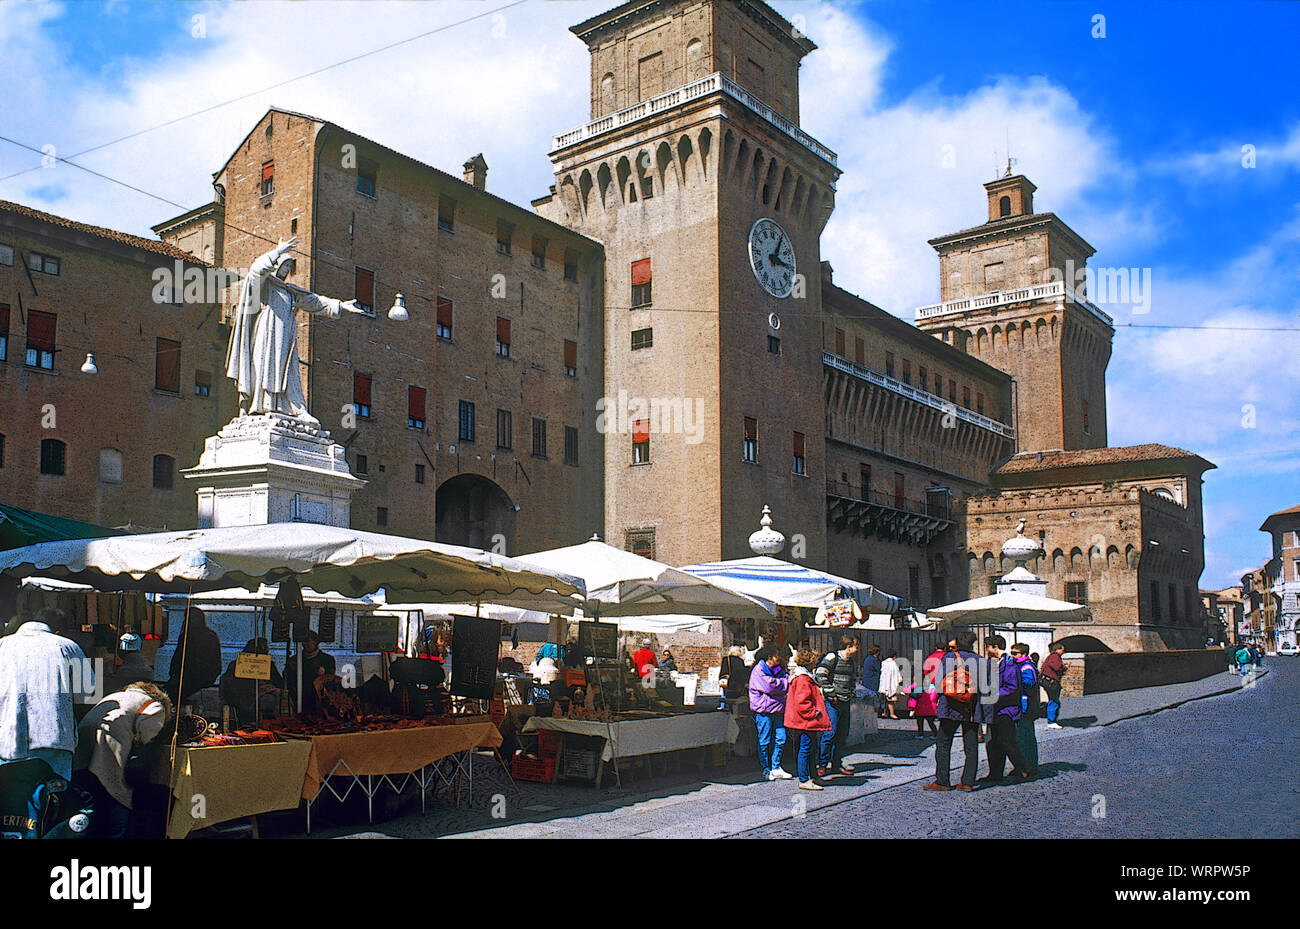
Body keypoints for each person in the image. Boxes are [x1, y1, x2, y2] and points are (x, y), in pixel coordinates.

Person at [226, 236, 366, 419]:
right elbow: (255, 270)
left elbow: (314, 301)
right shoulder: (264, 285)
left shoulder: (290, 291)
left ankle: (292, 408)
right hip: (267, 334)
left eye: (289, 268)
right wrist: (278, 251)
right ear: (275, 266)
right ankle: (263, 405)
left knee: (288, 370)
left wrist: (341, 305)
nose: (287, 271)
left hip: (287, 338)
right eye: (284, 266)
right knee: (266, 367)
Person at [0, 607, 95, 780]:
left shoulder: (3, 644)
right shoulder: (68, 646)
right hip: (54, 739)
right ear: (59, 630)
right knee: (52, 800)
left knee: (10, 800)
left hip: (7, 740)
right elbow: (88, 694)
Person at [71, 682, 171, 839]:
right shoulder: (155, 706)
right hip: (110, 746)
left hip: (86, 745)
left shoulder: (116, 696)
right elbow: (148, 735)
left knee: (92, 797)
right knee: (117, 793)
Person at [925, 631, 981, 792]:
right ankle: (968, 781)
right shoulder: (980, 660)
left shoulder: (949, 658)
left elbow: (939, 682)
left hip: (950, 706)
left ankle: (942, 780)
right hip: (971, 708)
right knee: (971, 745)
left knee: (943, 743)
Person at [979, 634, 1035, 784]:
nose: (986, 650)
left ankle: (1023, 768)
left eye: (987, 647)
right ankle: (995, 773)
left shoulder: (1009, 664)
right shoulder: (995, 663)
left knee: (1007, 741)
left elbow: (1012, 687)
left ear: (994, 647)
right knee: (992, 743)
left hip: (1006, 710)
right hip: (995, 709)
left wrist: (993, 694)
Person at [783, 648, 832, 790]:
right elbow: (802, 702)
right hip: (807, 720)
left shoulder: (801, 676)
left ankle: (812, 777)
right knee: (806, 748)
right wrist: (814, 713)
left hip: (806, 720)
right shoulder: (803, 678)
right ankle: (804, 779)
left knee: (810, 748)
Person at [815, 634, 860, 777]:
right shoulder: (832, 657)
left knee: (842, 734)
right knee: (830, 733)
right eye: (856, 646)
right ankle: (822, 764)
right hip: (833, 702)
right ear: (849, 646)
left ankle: (836, 764)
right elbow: (820, 675)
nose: (857, 649)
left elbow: (852, 679)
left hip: (845, 702)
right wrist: (831, 694)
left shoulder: (851, 662)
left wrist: (852, 691)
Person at [748, 646, 791, 781]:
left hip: (778, 709)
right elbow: (769, 686)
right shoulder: (758, 670)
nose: (779, 658)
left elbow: (785, 679)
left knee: (781, 738)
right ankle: (766, 769)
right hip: (764, 711)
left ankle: (776, 767)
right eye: (776, 655)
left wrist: (779, 684)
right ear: (769, 657)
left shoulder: (777, 668)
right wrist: (782, 685)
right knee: (764, 740)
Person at [219, 638, 284, 726]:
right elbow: (230, 686)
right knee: (272, 698)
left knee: (277, 695)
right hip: (244, 698)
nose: (266, 650)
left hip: (255, 697)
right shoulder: (237, 665)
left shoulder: (268, 665)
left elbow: (279, 683)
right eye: (264, 648)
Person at [166, 607, 222, 706]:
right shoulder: (186, 636)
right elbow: (177, 659)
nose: (190, 621)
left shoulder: (208, 636)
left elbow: (211, 664)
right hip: (187, 677)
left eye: (193, 618)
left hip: (199, 678)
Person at [284, 630, 337, 715]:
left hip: (320, 699)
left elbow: (331, 679)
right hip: (300, 698)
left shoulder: (327, 659)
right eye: (303, 642)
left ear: (316, 642)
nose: (305, 644)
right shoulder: (295, 660)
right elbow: (289, 680)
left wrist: (323, 673)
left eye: (308, 641)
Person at [1010, 642, 1040, 771]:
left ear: (1024, 654)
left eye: (1015, 653)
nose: (1013, 656)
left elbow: (1029, 683)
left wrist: (1013, 680)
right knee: (1021, 737)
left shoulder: (1026, 667)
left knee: (1025, 738)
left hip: (1025, 707)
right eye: (1012, 653)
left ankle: (1029, 766)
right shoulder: (1019, 665)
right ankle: (1024, 765)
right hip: (1021, 706)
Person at [911, 645, 944, 738]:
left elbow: (913, 694)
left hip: (920, 710)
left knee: (920, 723)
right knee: (931, 723)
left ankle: (920, 734)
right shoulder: (932, 688)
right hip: (931, 709)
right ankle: (935, 734)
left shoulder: (931, 657)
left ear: (935, 648)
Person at [1040, 642, 1068, 729]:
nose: (1063, 652)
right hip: (1052, 682)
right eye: (1062, 650)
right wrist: (1064, 667)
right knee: (1054, 701)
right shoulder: (1055, 656)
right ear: (1057, 649)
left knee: (1052, 700)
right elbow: (1057, 667)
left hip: (1047, 681)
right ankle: (1051, 721)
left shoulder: (1050, 656)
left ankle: (1052, 720)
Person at [859, 644, 882, 714]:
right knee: (873, 696)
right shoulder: (874, 660)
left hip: (866, 680)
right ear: (877, 652)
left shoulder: (867, 658)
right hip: (872, 680)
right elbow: (878, 669)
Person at [879, 650, 902, 719]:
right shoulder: (893, 664)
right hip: (891, 683)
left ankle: (884, 712)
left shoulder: (883, 663)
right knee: (890, 700)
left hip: (884, 683)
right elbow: (896, 674)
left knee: (885, 699)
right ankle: (892, 713)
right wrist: (900, 679)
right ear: (894, 656)